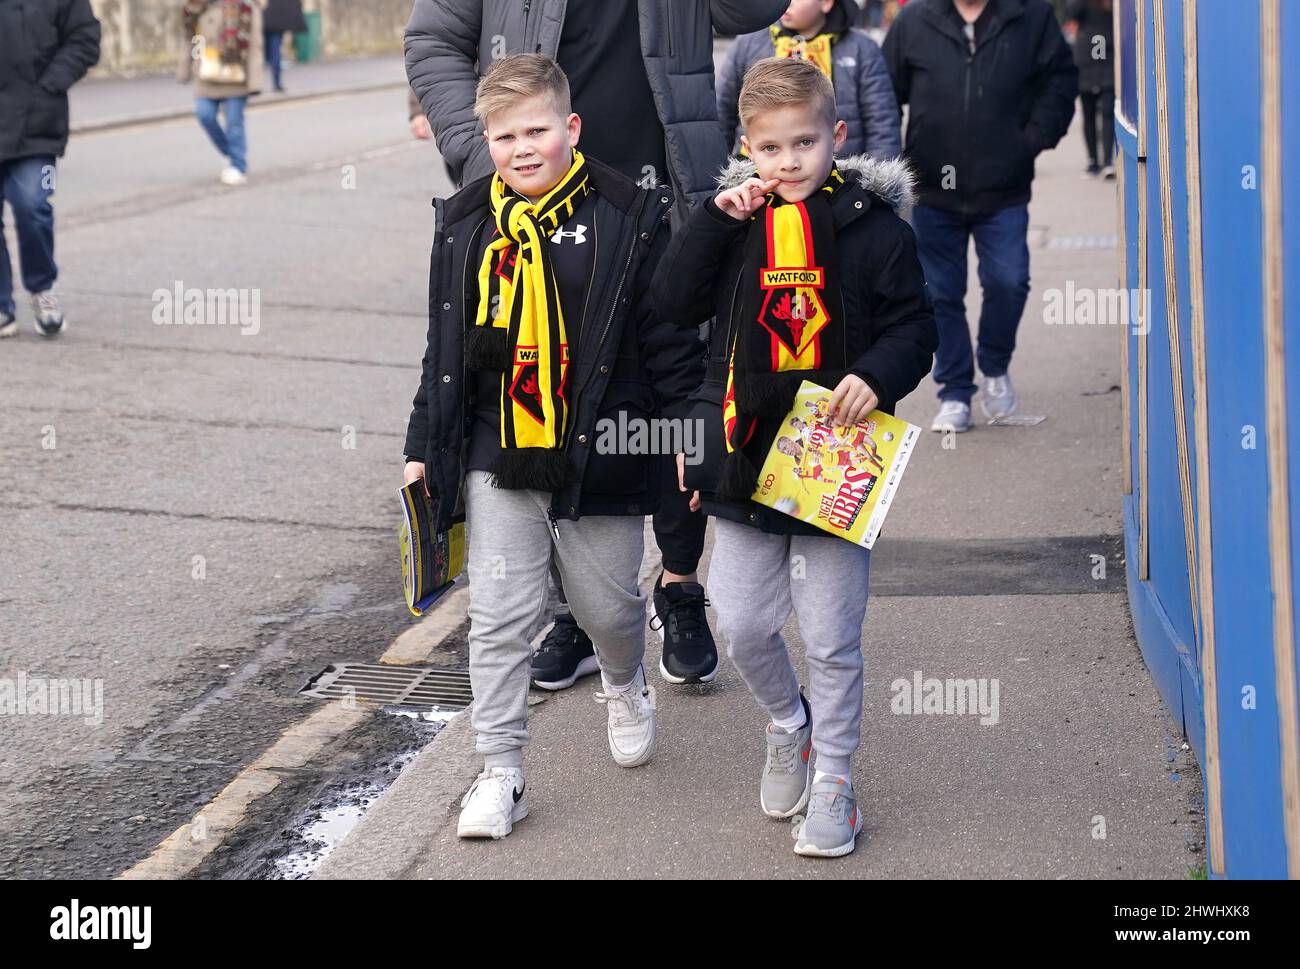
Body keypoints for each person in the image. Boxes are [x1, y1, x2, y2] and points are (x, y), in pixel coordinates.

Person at [405, 0, 787, 690]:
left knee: (676, 387)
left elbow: (753, 9)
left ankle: (678, 584)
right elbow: (433, 36)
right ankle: (579, 616)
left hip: (663, 187)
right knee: (548, 397)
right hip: (538, 199)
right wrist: (470, 142)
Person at [401, 54, 705, 839]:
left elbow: (667, 339)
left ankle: (624, 676)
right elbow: (443, 351)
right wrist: (419, 447)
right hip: (494, 448)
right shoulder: (468, 218)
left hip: (601, 447)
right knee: (501, 616)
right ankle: (501, 769)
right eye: (504, 135)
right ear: (486, 138)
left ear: (570, 127)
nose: (522, 148)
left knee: (608, 606)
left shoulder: (629, 213)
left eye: (537, 129)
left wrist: (685, 436)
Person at [653, 58, 937, 858]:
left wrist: (874, 376)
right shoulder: (735, 222)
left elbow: (917, 330)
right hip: (745, 458)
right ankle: (790, 725)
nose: (788, 162)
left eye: (805, 143)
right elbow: (672, 305)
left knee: (832, 635)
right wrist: (712, 218)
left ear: (835, 136)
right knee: (741, 622)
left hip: (834, 459)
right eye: (771, 147)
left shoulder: (874, 229)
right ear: (748, 145)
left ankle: (838, 783)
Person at [883, 0, 1076, 432]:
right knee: (941, 293)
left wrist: (1034, 137)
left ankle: (994, 365)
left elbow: (1060, 80)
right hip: (932, 188)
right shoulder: (916, 19)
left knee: (1008, 282)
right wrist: (888, 162)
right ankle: (954, 390)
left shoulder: (1030, 15)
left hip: (1003, 188)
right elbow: (885, 93)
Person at [0, 0, 101, 339]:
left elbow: (85, 39)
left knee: (34, 205)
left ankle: (42, 288)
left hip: (39, 125)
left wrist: (50, 85)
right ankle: (2, 305)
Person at [718, 0, 901, 161]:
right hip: (760, 172)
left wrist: (876, 187)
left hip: (842, 177)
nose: (786, 2)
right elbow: (722, 110)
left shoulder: (862, 49)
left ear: (826, 3)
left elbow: (882, 123)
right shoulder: (749, 43)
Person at [179, 0, 266, 186]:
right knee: (204, 115)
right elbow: (193, 39)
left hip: (235, 75)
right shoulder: (197, 8)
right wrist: (188, 68)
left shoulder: (246, 8)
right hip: (206, 74)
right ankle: (230, 152)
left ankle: (238, 166)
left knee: (234, 122)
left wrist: (255, 81)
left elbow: (254, 46)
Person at [1065, 0, 1115, 179]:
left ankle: (1107, 161)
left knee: (1107, 112)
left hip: (1106, 56)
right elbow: (1071, 11)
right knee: (1089, 112)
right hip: (1088, 60)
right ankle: (1093, 160)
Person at [262, 0, 305, 94]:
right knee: (275, 51)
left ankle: (275, 83)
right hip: (281, 18)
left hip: (267, 17)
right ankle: (277, 83)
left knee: (272, 51)